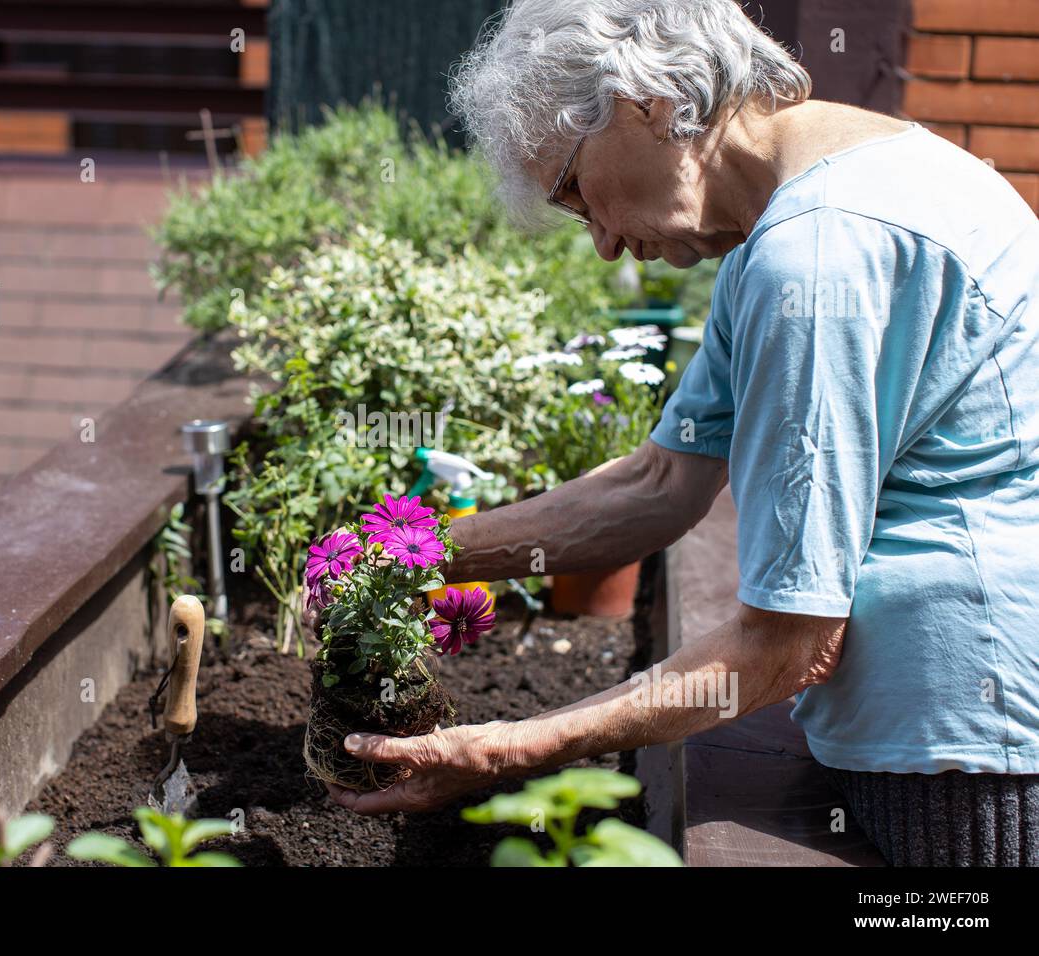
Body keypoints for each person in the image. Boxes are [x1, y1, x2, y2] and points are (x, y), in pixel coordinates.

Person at [323, 0, 1039, 867]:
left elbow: (789, 643)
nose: (602, 243)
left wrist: (510, 746)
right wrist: (416, 555)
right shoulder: (840, 187)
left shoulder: (816, 251)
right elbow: (660, 485)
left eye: (576, 191)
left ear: (643, 104)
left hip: (967, 757)